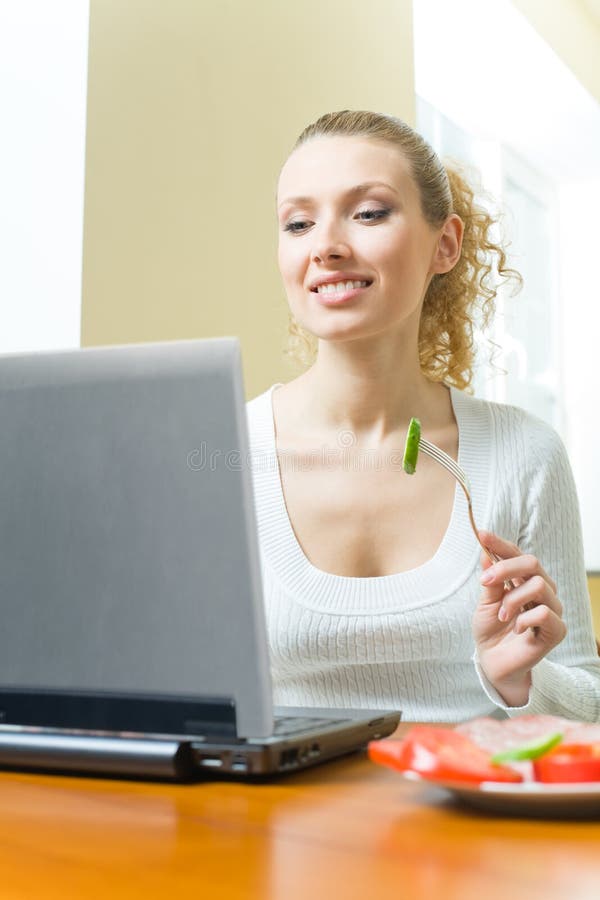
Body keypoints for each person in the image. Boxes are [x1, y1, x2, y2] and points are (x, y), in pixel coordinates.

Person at [246, 109, 600, 722]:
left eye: (370, 213)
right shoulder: (220, 452)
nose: (326, 246)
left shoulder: (525, 454)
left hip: (476, 810)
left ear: (446, 244)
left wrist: (521, 681)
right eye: (298, 223)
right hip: (270, 816)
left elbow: (589, 706)